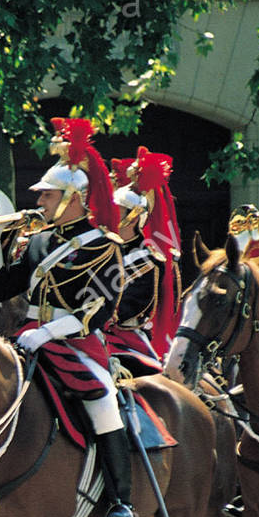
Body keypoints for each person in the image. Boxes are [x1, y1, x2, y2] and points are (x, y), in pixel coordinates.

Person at [0, 117, 136, 517]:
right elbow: (0, 286)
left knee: (102, 402)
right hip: (26, 341)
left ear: (73, 197)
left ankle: (121, 501)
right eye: (42, 195)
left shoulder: (104, 245)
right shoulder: (39, 241)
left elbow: (98, 310)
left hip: (76, 344)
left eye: (48, 194)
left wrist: (46, 332)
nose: (41, 201)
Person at [104, 148, 181, 373]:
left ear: (134, 216)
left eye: (116, 211)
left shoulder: (148, 261)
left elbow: (129, 307)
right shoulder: (105, 250)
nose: (110, 215)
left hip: (126, 338)